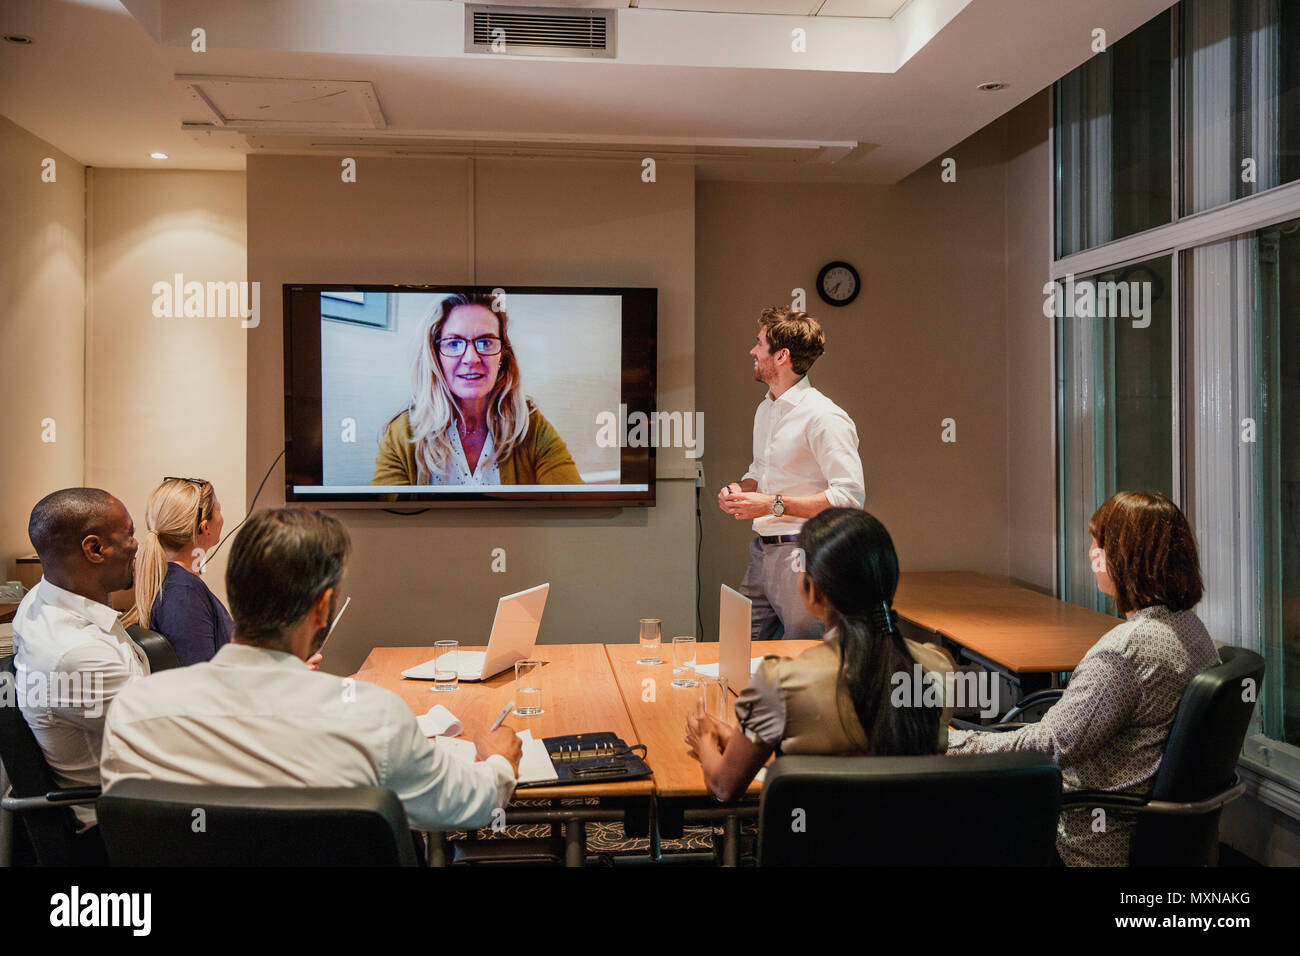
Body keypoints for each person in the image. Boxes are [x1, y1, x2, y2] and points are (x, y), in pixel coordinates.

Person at [100, 507, 522, 833]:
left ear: (236, 593)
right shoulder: (373, 718)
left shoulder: (134, 712)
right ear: (323, 606)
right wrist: (499, 761)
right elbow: (466, 806)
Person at [947, 491, 1220, 866]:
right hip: (1140, 823)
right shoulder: (1192, 630)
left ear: (1130, 557)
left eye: (1101, 544)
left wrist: (954, 745)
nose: (1092, 554)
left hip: (1082, 839)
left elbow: (1047, 747)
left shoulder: (1125, 652)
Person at [685, 508, 954, 802]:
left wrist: (706, 741)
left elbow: (725, 786)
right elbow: (863, 764)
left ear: (813, 591)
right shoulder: (938, 667)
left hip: (817, 845)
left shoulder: (779, 682)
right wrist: (744, 740)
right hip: (919, 844)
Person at [718, 307, 866, 640]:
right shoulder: (766, 408)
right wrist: (738, 489)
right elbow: (760, 470)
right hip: (762, 552)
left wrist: (771, 504)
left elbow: (849, 498)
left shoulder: (823, 416)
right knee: (737, 646)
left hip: (804, 554)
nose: (752, 351)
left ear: (781, 355)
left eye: (759, 343)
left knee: (803, 653)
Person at [12, 488, 148, 834]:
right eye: (129, 533)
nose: (138, 545)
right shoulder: (75, 654)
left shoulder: (40, 600)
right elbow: (176, 738)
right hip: (118, 823)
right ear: (94, 549)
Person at [373, 292, 583, 486]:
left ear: (502, 356)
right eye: (454, 343)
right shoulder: (401, 435)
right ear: (435, 357)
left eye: (485, 342)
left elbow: (573, 507)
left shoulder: (530, 426)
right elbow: (385, 522)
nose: (471, 358)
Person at [126, 477, 231, 666]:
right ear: (205, 527)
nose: (222, 518)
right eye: (219, 510)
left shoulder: (172, 582)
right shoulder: (183, 592)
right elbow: (197, 679)